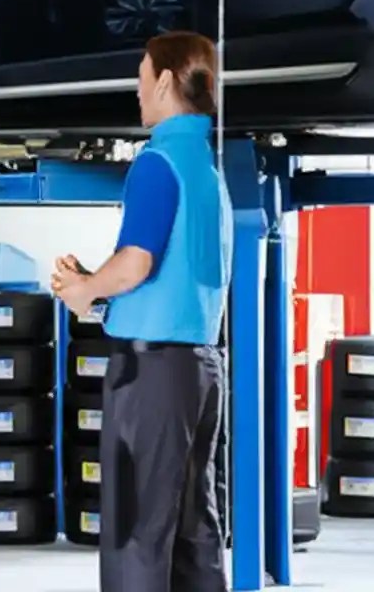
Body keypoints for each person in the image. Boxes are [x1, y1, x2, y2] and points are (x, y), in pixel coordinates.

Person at [51, 31, 232, 592]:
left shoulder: (159, 162)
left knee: (137, 531)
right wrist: (93, 279)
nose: (136, 92)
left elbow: (136, 264)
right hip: (201, 367)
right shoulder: (209, 169)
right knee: (192, 526)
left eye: (140, 77)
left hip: (150, 372)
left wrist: (85, 291)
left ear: (163, 81)